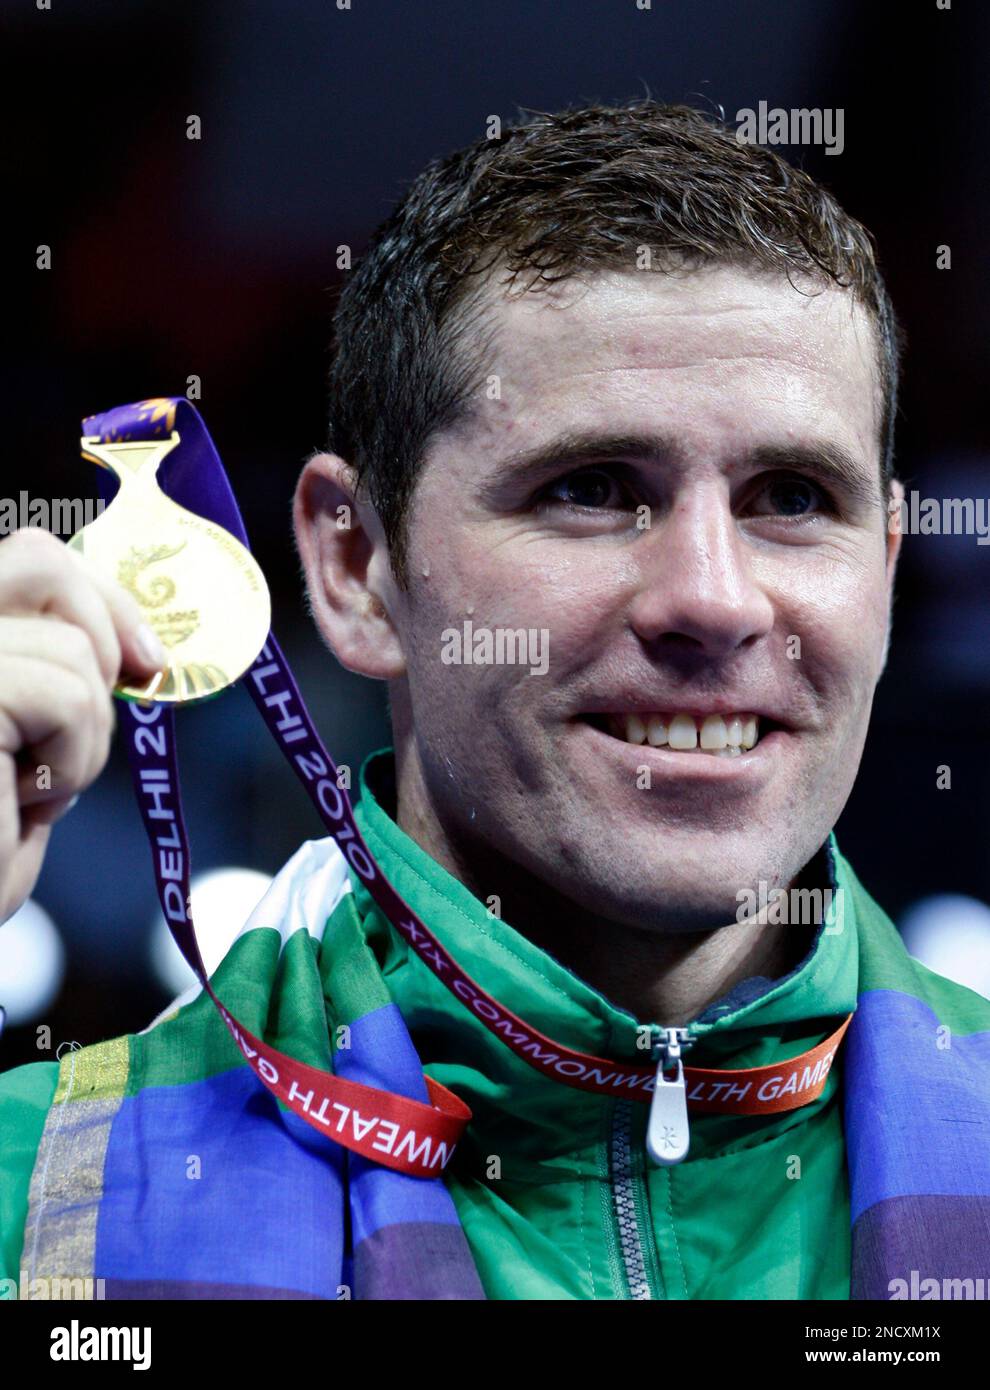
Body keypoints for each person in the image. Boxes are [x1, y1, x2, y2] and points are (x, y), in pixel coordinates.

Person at [1, 101, 988, 1303]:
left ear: (885, 565)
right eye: (590, 486)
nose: (715, 601)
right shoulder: (33, 1185)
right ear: (357, 569)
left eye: (791, 496)